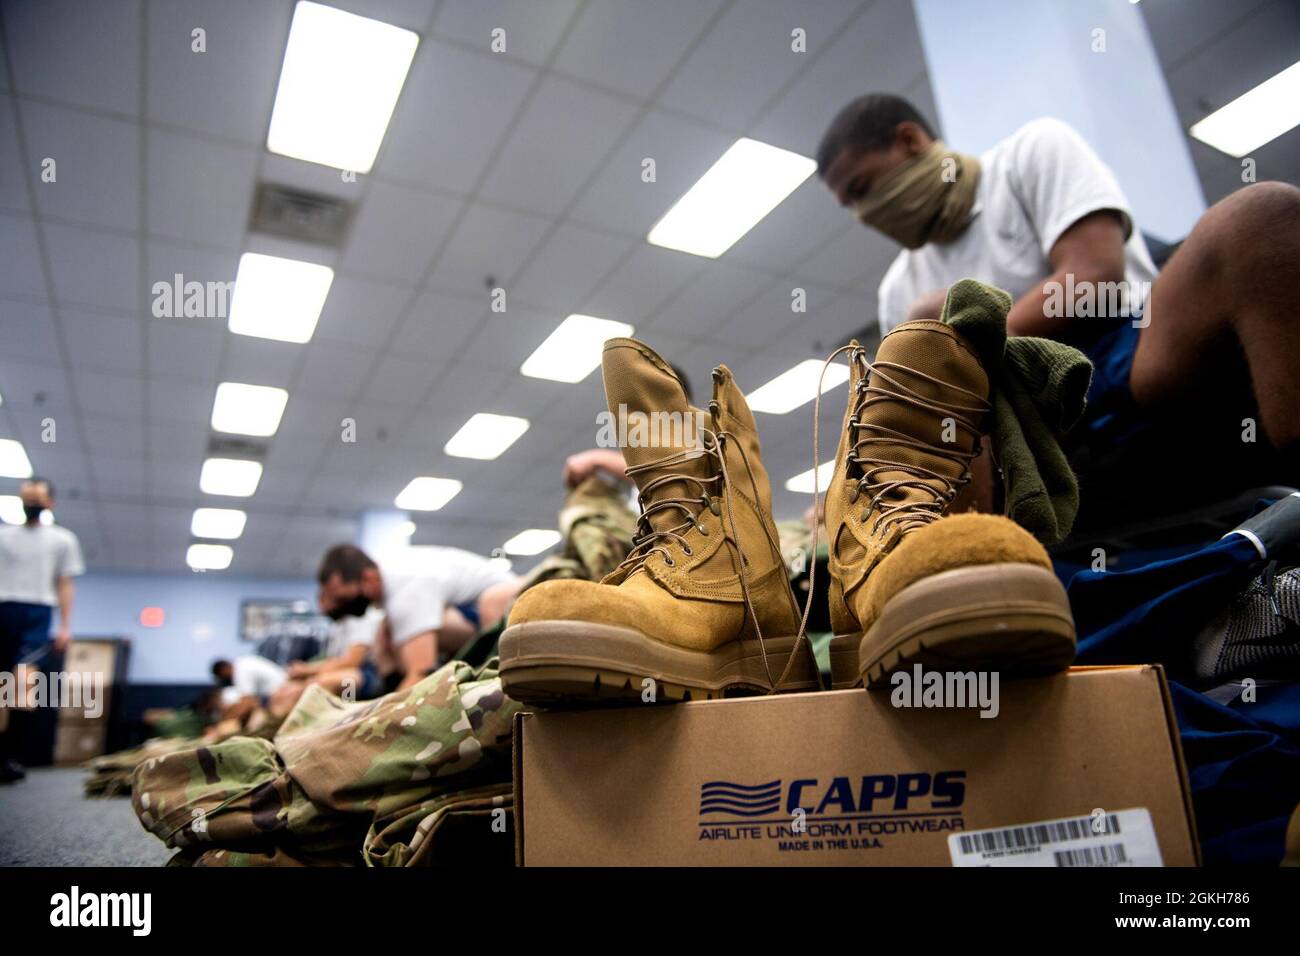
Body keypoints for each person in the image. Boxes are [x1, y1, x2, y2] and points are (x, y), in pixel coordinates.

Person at [815, 94, 1300, 509]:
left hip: (1129, 347)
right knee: (922, 330)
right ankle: (979, 575)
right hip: (1013, 421)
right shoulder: (898, 287)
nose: (865, 212)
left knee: (1257, 217)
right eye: (850, 206)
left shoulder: (1029, 153)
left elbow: (1092, 278)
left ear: (910, 141)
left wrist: (965, 337)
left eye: (863, 188)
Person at [316, 543, 522, 690]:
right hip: (467, 608)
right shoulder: (387, 573)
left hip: (502, 608)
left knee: (411, 646)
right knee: (385, 634)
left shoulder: (406, 592)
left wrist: (381, 716)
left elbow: (421, 670)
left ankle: (484, 685)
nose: (339, 606)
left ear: (368, 578)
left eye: (343, 598)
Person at [0, 477, 84, 783]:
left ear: (50, 503)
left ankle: (12, 757)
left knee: (22, 686)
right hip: (2, 607)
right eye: (26, 499)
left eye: (36, 499)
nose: (30, 505)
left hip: (37, 611)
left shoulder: (62, 540)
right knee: (0, 690)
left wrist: (65, 626)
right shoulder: (4, 535)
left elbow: (64, 583)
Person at [211, 655, 288, 724]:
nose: (225, 679)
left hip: (280, 691)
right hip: (280, 686)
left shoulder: (240, 672)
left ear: (223, 670)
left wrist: (224, 722)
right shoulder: (243, 662)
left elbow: (247, 702)